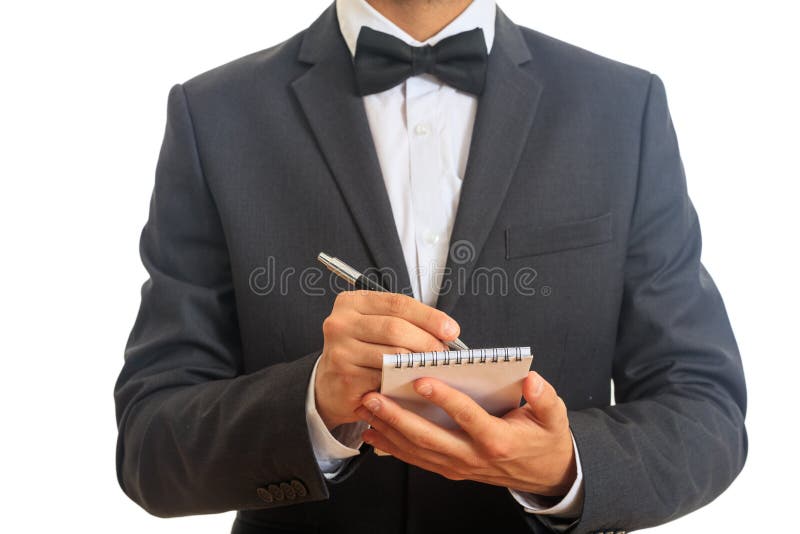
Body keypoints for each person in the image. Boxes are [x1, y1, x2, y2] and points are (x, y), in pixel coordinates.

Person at [114, 1, 747, 532]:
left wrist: (565, 466)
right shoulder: (214, 115)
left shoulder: (623, 108)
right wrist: (312, 405)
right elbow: (149, 445)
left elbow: (705, 409)